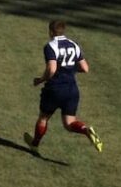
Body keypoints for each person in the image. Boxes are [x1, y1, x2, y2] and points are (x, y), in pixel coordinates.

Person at [23, 20, 103, 155]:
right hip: (72, 89)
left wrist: (40, 80)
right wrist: (69, 68)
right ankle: (86, 130)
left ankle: (34, 144)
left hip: (55, 89)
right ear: (63, 30)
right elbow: (85, 68)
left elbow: (52, 69)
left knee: (43, 118)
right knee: (69, 123)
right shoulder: (74, 44)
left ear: (50, 31)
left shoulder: (50, 46)